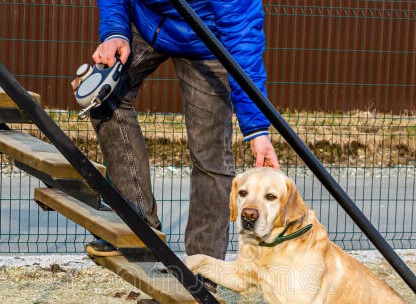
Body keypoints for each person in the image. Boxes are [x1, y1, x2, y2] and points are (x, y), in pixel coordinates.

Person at [86, 0, 280, 261]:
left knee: (210, 154)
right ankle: (139, 224)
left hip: (206, 40)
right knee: (102, 96)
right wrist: (115, 32)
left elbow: (242, 31)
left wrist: (256, 128)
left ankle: (203, 271)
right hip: (149, 22)